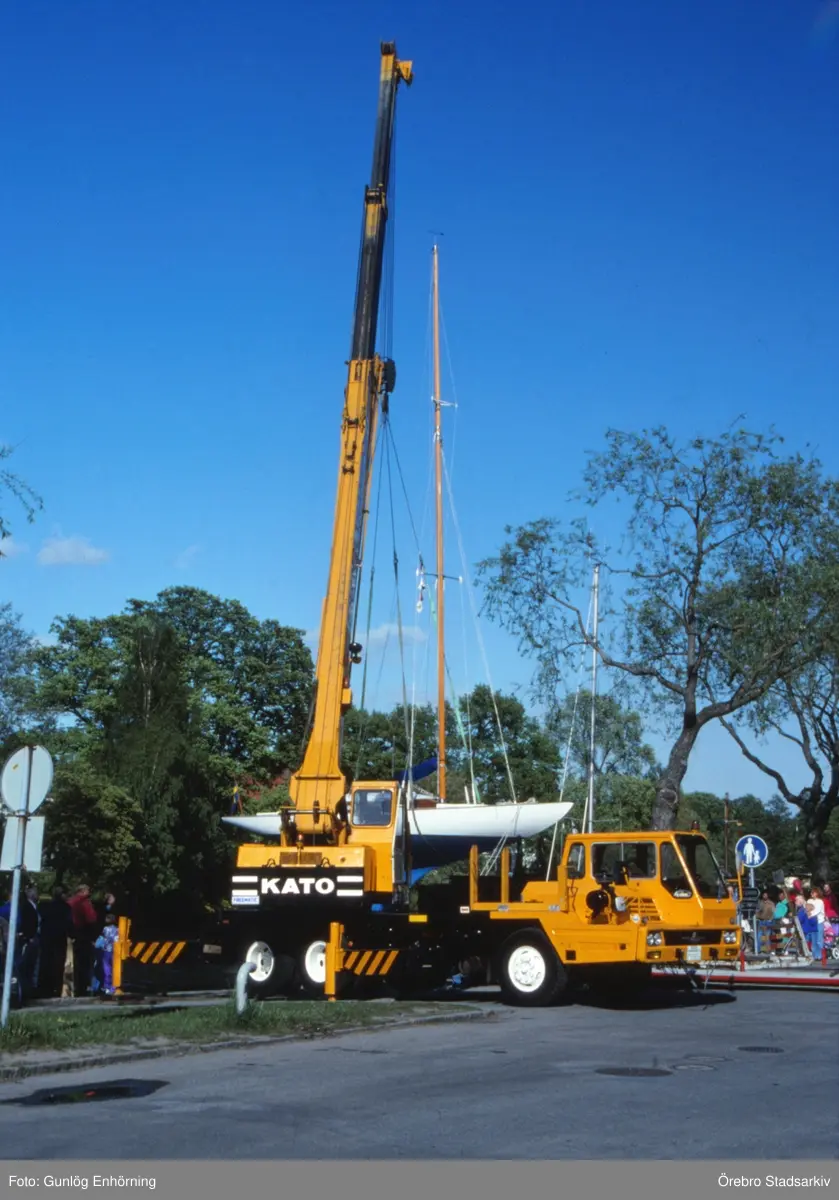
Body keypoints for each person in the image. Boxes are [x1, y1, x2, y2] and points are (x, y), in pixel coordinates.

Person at [39, 889, 74, 998]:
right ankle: (57, 989)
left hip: (46, 938)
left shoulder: (44, 906)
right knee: (59, 964)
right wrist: (72, 935)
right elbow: (69, 923)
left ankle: (44, 989)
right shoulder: (66, 908)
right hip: (60, 938)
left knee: (46, 963)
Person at [68, 884, 99, 996]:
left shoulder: (70, 902)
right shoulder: (84, 903)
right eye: (88, 891)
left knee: (71, 962)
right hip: (84, 935)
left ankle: (70, 988)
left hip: (71, 934)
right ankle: (82, 987)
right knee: (84, 963)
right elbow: (91, 919)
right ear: (83, 891)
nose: (89, 893)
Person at [95, 914, 120, 997]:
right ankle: (114, 987)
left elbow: (103, 939)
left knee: (107, 969)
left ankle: (107, 986)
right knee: (114, 969)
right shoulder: (118, 929)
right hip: (115, 951)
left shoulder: (105, 929)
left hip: (107, 951)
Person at [806, 887, 826, 960]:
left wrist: (809, 915)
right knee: (813, 940)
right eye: (811, 892)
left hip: (819, 922)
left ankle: (821, 955)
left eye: (813, 892)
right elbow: (806, 908)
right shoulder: (809, 900)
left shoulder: (820, 901)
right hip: (812, 922)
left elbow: (817, 911)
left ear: (817, 893)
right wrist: (808, 914)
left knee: (819, 939)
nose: (811, 894)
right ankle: (815, 956)